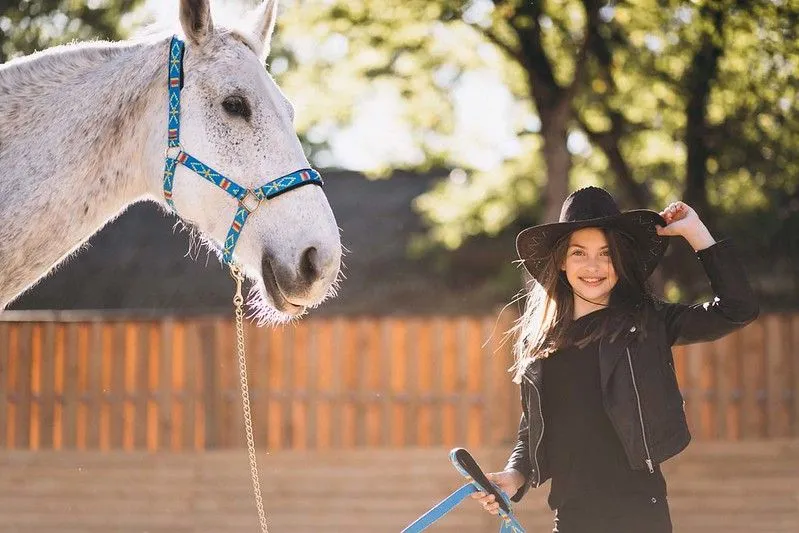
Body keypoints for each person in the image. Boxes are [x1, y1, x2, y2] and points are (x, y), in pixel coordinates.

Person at [471, 186, 759, 532]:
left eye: (606, 254)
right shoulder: (542, 341)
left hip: (640, 515)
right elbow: (533, 427)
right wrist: (513, 476)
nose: (593, 266)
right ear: (562, 261)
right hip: (572, 517)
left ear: (620, 262)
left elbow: (737, 309)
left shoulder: (648, 322)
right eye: (579, 253)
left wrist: (696, 233)